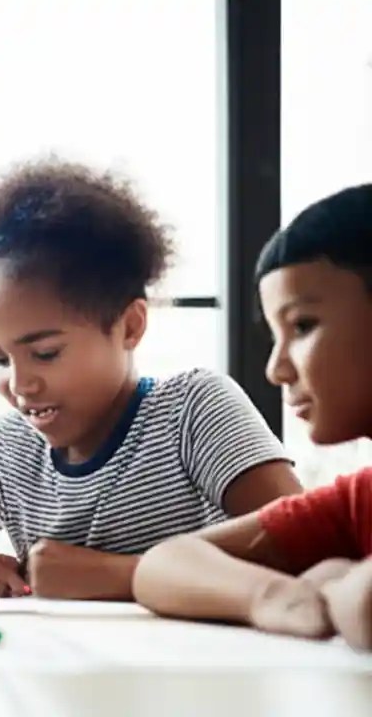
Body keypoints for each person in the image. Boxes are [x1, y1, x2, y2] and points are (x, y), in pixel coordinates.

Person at [0, 158, 301, 600]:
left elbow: (305, 539)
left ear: (130, 326)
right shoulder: (11, 452)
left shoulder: (192, 410)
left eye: (45, 354)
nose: (19, 383)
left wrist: (114, 575)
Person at [134, 184, 372, 651]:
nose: (276, 368)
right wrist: (274, 595)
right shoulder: (358, 499)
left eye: (302, 326)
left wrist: (336, 580)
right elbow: (163, 562)